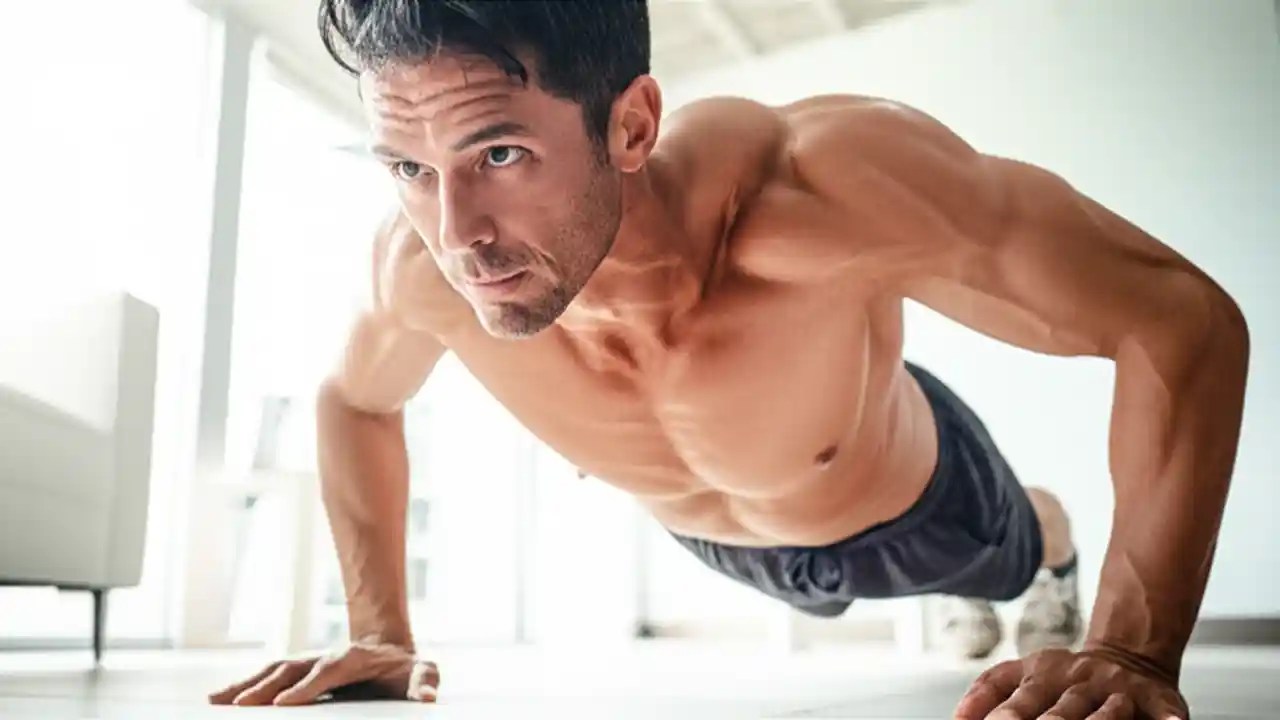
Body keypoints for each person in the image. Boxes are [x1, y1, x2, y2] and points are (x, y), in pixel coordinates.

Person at [208, 2, 1250, 717]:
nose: (456, 233)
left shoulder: (823, 191)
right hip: (722, 540)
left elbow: (1175, 319)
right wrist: (383, 631)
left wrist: (1129, 647)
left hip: (923, 509)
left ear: (631, 125)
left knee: (1017, 547)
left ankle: (1044, 547)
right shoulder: (415, 271)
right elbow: (355, 401)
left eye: (499, 153)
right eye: (408, 166)